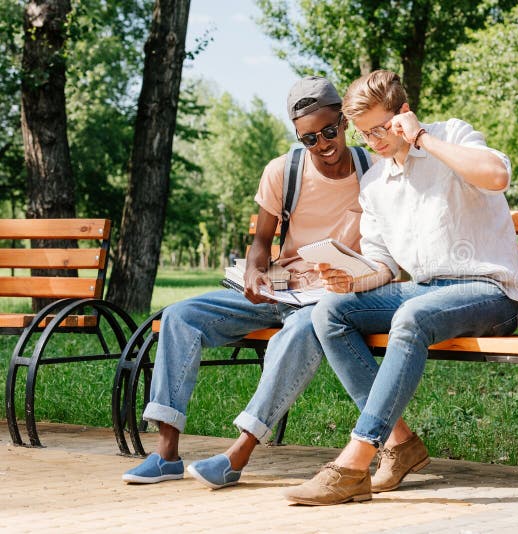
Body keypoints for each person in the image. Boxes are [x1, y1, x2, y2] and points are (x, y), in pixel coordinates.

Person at [283, 70, 518, 506]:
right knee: (330, 312)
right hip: (426, 292)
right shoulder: (376, 184)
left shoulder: (449, 136)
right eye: (364, 136)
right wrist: (353, 278)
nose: (375, 143)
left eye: (382, 129)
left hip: (492, 293)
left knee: (411, 317)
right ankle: (399, 445)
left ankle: (353, 462)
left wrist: (422, 138)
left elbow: (497, 176)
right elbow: (383, 265)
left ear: (404, 113)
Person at [122, 76, 369, 489]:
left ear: (344, 121)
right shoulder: (283, 171)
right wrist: (256, 272)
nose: (323, 144)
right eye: (309, 139)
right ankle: (165, 452)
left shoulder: (372, 171)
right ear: (297, 136)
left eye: (329, 131)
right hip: (284, 288)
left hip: (333, 299)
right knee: (181, 316)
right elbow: (260, 243)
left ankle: (239, 453)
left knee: (296, 333)